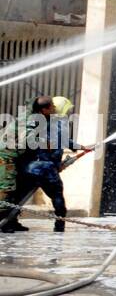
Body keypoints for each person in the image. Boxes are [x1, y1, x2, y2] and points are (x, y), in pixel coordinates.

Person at [1, 96, 86, 233]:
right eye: (52, 107)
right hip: (32, 164)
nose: (54, 108)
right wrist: (56, 163)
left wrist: (81, 147)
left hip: (26, 165)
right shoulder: (48, 123)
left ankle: (10, 222)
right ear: (45, 109)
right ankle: (59, 227)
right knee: (56, 197)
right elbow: (47, 143)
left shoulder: (42, 120)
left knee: (17, 196)